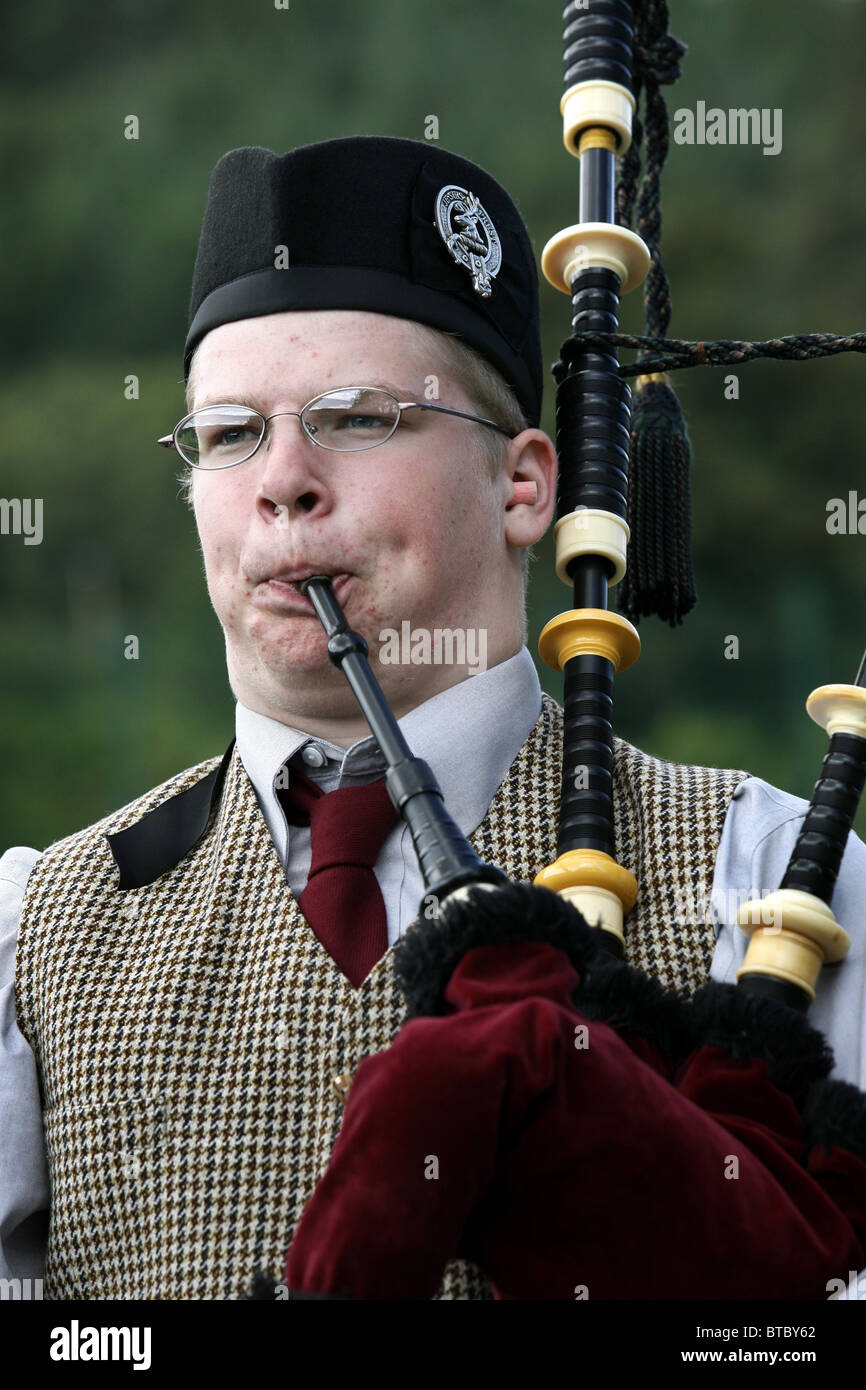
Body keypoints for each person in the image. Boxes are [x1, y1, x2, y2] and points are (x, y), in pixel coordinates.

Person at [1, 136, 865, 1301]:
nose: (283, 479)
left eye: (355, 417)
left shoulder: (756, 869)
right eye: (228, 433)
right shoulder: (35, 930)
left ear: (522, 485)